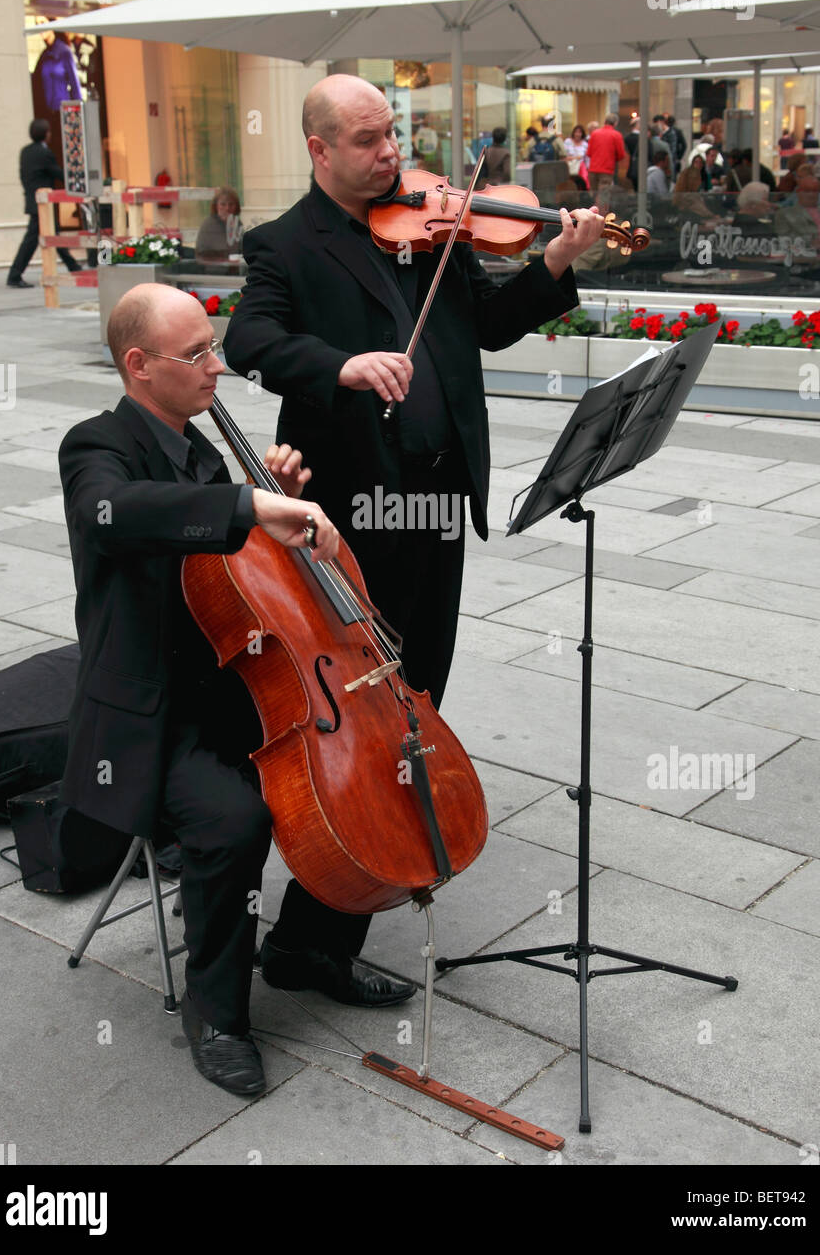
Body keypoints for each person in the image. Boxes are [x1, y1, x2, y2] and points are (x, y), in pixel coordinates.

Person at [222, 73, 603, 961]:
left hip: (436, 499)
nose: (391, 153)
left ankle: (348, 901)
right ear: (319, 150)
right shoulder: (284, 243)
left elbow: (490, 325)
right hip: (352, 513)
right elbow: (250, 341)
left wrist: (554, 260)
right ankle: (313, 940)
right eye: (366, 140)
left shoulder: (430, 224)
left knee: (419, 690)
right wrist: (341, 366)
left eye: (392, 133)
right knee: (365, 711)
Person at [58, 282, 413, 1099]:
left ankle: (313, 949)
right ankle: (216, 1017)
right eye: (197, 355)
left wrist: (262, 488)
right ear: (140, 367)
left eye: (216, 346)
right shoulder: (95, 448)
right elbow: (118, 511)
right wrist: (249, 501)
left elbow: (248, 587)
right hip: (151, 719)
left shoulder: (203, 450)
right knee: (233, 817)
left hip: (240, 692)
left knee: (360, 776)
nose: (219, 367)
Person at [7, 119, 82, 288]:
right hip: (41, 204)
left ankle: (74, 267)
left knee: (53, 236)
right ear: (46, 134)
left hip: (33, 200)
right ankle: (14, 275)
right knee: (32, 241)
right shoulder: (44, 153)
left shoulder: (25, 152)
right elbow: (56, 172)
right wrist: (77, 183)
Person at [195, 186, 243, 259]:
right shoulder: (208, 224)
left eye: (231, 204)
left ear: (236, 206)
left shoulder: (238, 223)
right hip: (214, 268)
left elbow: (240, 249)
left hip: (235, 267)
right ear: (216, 206)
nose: (227, 208)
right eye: (223, 204)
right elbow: (202, 252)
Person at [586, 113, 628, 192]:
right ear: (615, 123)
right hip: (607, 169)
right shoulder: (616, 135)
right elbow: (621, 154)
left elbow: (589, 153)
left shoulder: (594, 133)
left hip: (593, 169)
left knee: (593, 194)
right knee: (603, 195)